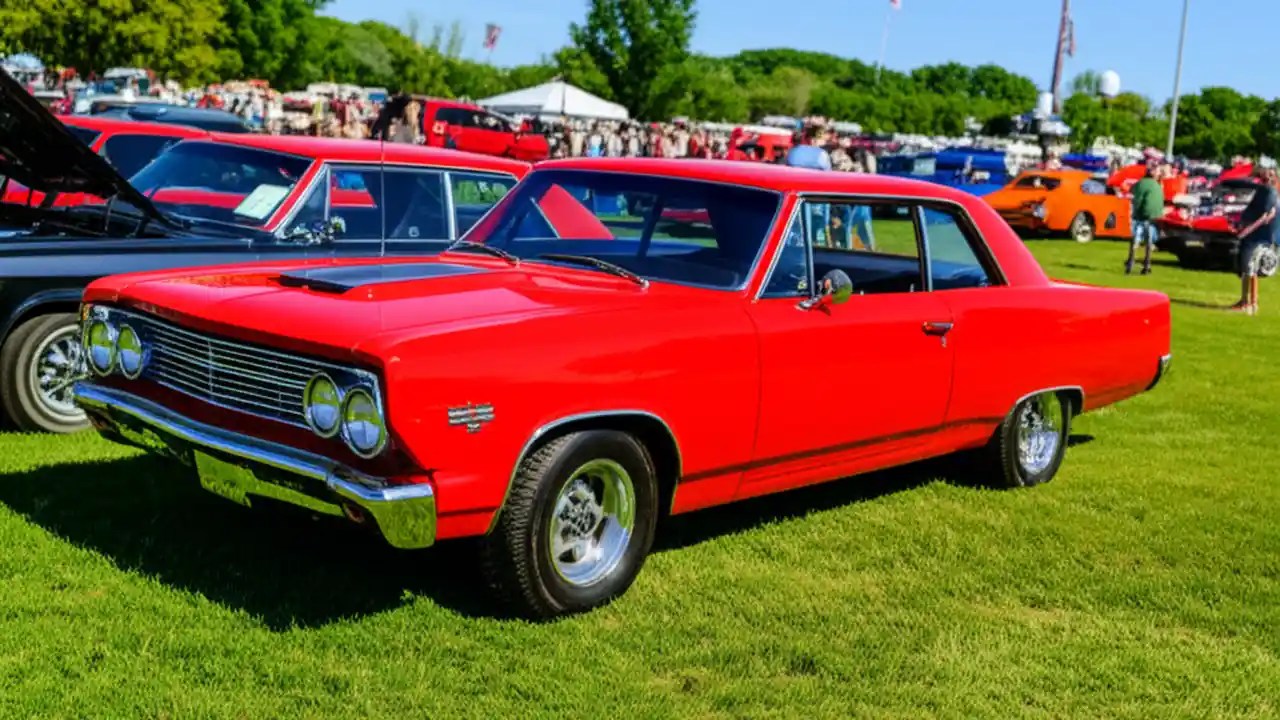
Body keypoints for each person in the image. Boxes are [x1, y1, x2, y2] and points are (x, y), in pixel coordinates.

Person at [1231, 167, 1280, 314]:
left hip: (1259, 236)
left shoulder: (1271, 193)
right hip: (1253, 234)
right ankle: (1245, 300)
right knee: (1247, 269)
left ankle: (1252, 302)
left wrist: (1247, 230)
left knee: (1251, 268)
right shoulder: (1263, 190)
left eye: (1271, 174)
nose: (1267, 176)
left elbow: (1264, 217)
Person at [1127, 164, 1164, 275]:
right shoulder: (1157, 185)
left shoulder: (1141, 184)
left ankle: (1131, 262)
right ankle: (1147, 264)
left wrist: (1134, 213)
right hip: (1153, 217)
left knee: (1136, 239)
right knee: (1149, 241)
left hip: (1141, 216)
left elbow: (1135, 197)